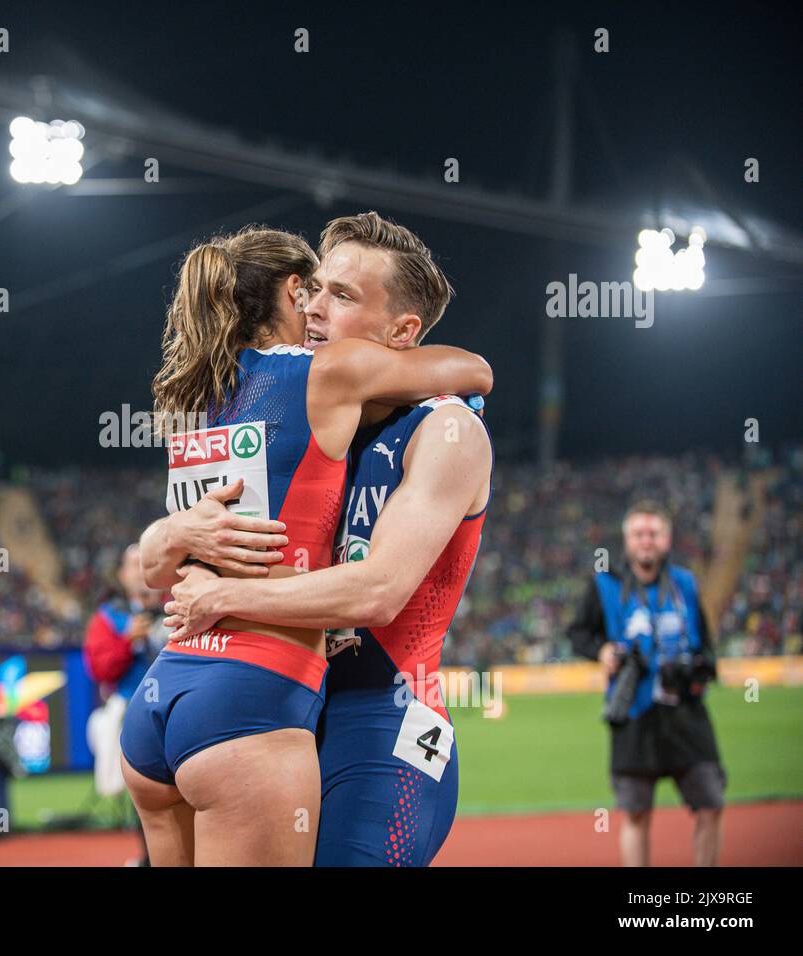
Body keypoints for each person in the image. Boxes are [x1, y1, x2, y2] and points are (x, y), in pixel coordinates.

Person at [122, 223, 492, 866]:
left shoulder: (446, 428)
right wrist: (171, 533)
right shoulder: (297, 416)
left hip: (383, 717)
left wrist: (223, 595)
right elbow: (172, 555)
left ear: (402, 335)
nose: (315, 307)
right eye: (313, 288)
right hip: (277, 703)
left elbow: (378, 591)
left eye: (342, 296)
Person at [568, 500, 723, 866]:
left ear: (667, 539)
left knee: (711, 804)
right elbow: (576, 634)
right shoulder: (604, 584)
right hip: (633, 713)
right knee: (636, 814)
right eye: (639, 534)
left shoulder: (685, 584)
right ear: (627, 540)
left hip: (686, 713)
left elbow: (707, 648)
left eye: (654, 533)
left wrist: (700, 672)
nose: (646, 541)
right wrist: (602, 651)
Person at [83, 543, 165, 865]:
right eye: (134, 564)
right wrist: (127, 640)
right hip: (135, 713)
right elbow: (100, 671)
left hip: (179, 710)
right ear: (122, 574)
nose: (142, 570)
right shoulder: (108, 617)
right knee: (145, 791)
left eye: (148, 561)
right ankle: (151, 857)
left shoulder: (185, 603)